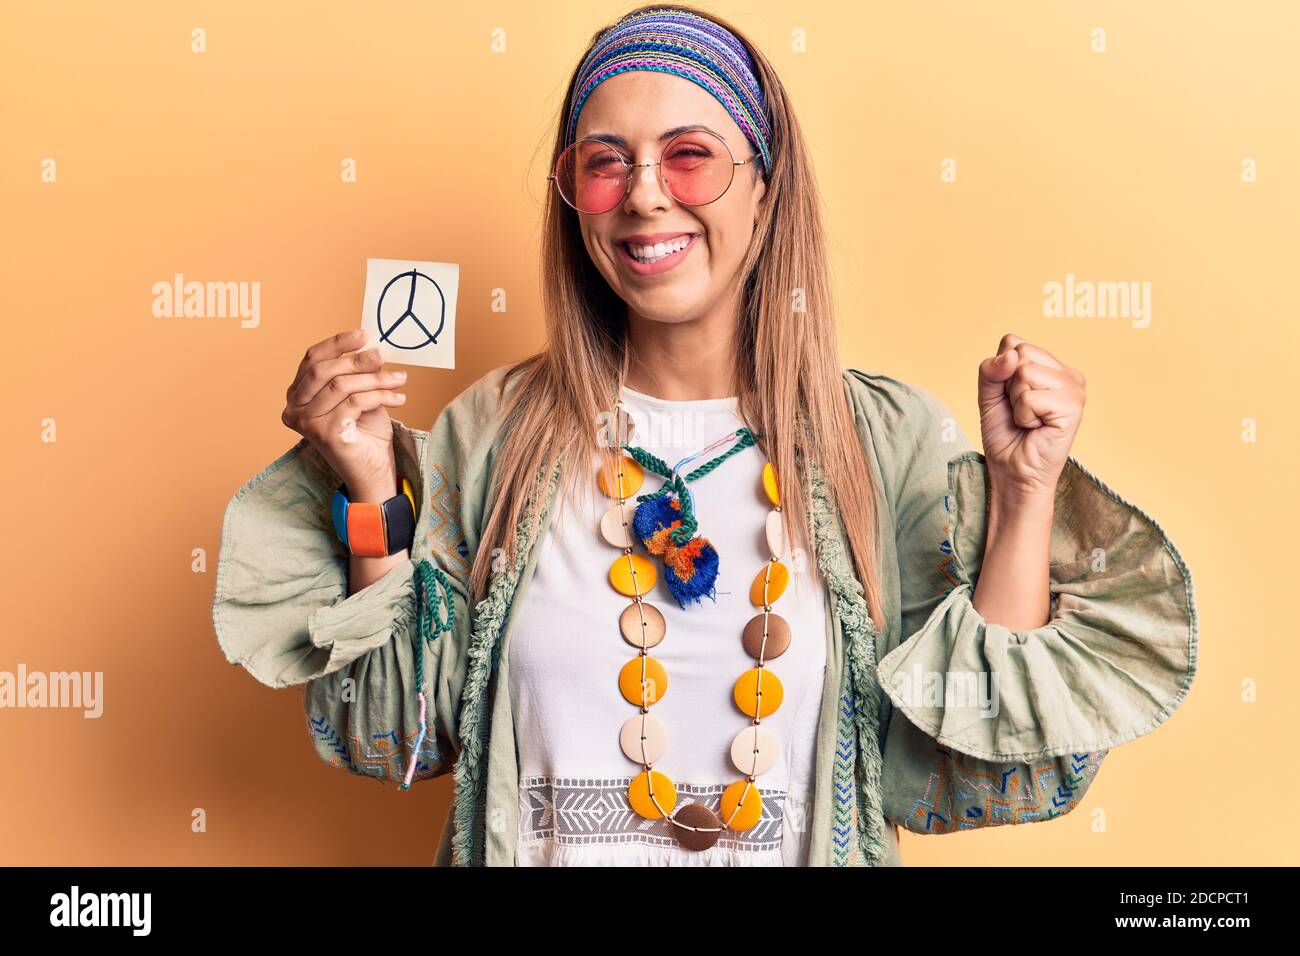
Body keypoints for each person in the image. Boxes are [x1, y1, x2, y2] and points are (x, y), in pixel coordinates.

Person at [212, 3, 1197, 867]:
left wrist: (1024, 494)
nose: (644, 194)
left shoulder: (880, 442)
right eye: (605, 164)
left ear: (765, 187)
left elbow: (966, 768)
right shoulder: (494, 432)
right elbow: (397, 736)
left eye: (689, 155)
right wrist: (365, 482)